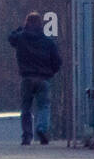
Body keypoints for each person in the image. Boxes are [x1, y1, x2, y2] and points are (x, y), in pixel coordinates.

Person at [8, 12, 62, 145]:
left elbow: (10, 38)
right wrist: (51, 72)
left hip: (27, 77)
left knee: (26, 108)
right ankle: (41, 129)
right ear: (41, 25)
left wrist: (20, 29)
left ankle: (27, 135)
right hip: (43, 78)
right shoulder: (48, 41)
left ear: (26, 23)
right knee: (44, 106)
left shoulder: (20, 38)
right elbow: (57, 61)